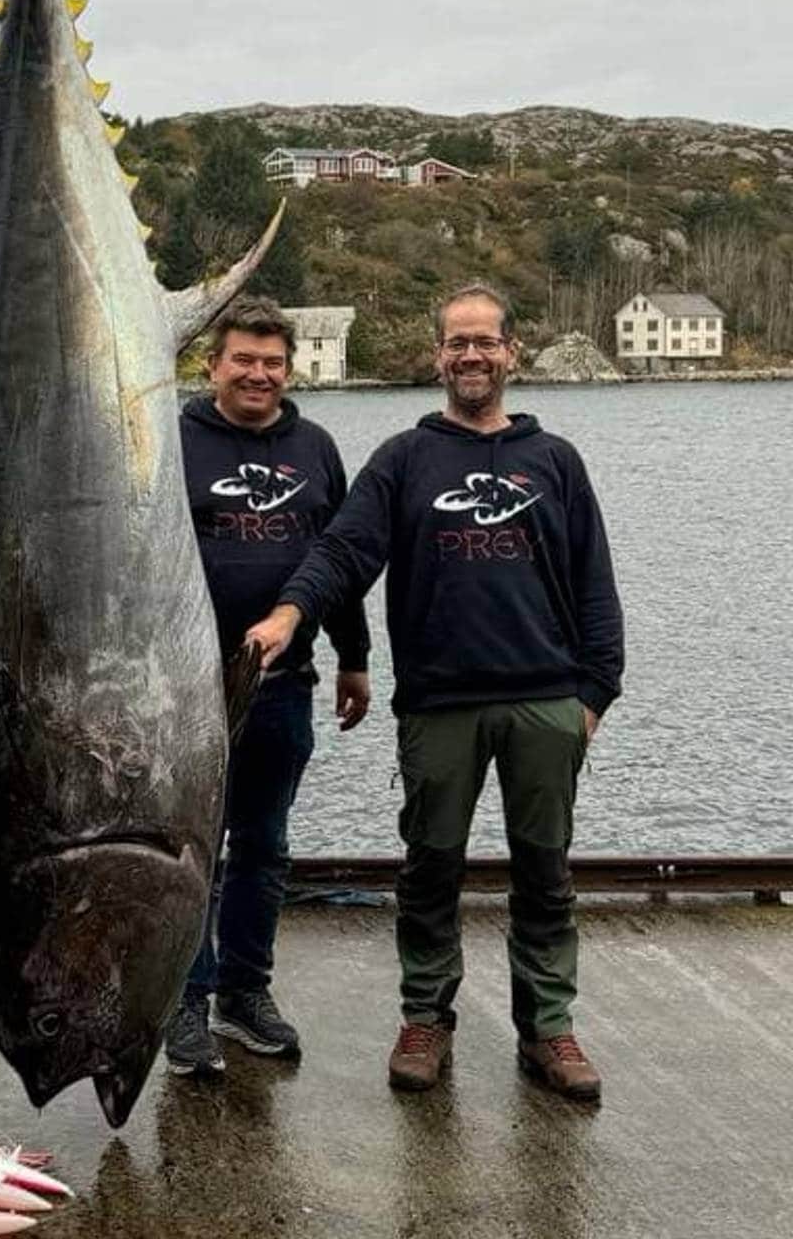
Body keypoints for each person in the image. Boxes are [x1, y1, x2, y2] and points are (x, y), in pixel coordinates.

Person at [247, 282, 623, 1101]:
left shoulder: (554, 461)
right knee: (429, 872)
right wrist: (289, 613)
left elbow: (595, 584)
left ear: (510, 351)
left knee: (545, 874)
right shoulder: (403, 461)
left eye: (485, 340)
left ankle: (548, 1028)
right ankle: (426, 1018)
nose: (471, 355)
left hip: (545, 701)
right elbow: (341, 554)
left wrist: (593, 694)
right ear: (438, 353)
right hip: (440, 705)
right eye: (457, 341)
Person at [164, 298, 371, 1079]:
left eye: (273, 362)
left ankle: (244, 994)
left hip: (285, 684)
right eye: (243, 360)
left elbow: (341, 560)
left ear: (290, 369)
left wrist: (354, 655)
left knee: (264, 845)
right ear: (212, 364)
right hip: (181, 687)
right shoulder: (169, 440)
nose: (258, 374)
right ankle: (185, 996)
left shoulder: (314, 447)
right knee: (189, 849)